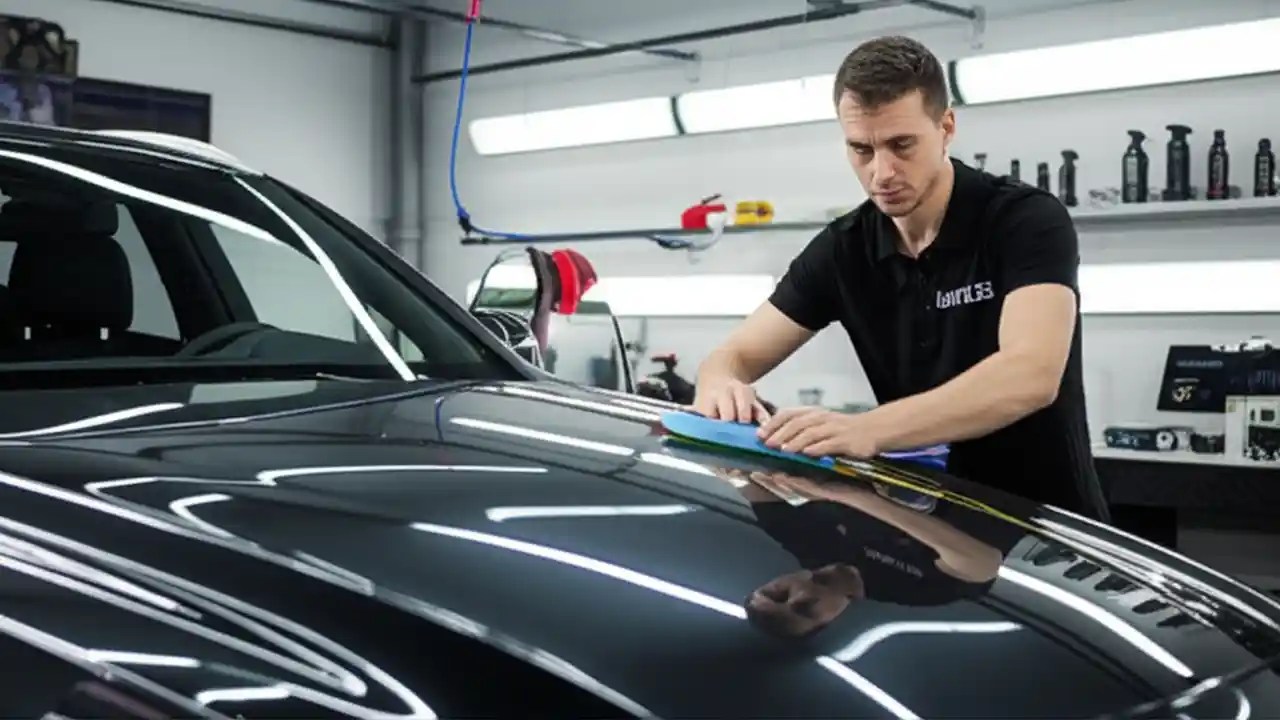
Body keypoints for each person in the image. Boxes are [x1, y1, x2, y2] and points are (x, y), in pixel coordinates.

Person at [692, 35, 1109, 521]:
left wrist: (867, 429)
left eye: (901, 145)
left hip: (1047, 533)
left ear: (946, 127)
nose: (881, 172)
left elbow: (1029, 375)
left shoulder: (1023, 221)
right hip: (926, 531)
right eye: (861, 149)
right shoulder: (844, 248)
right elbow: (733, 356)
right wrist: (720, 381)